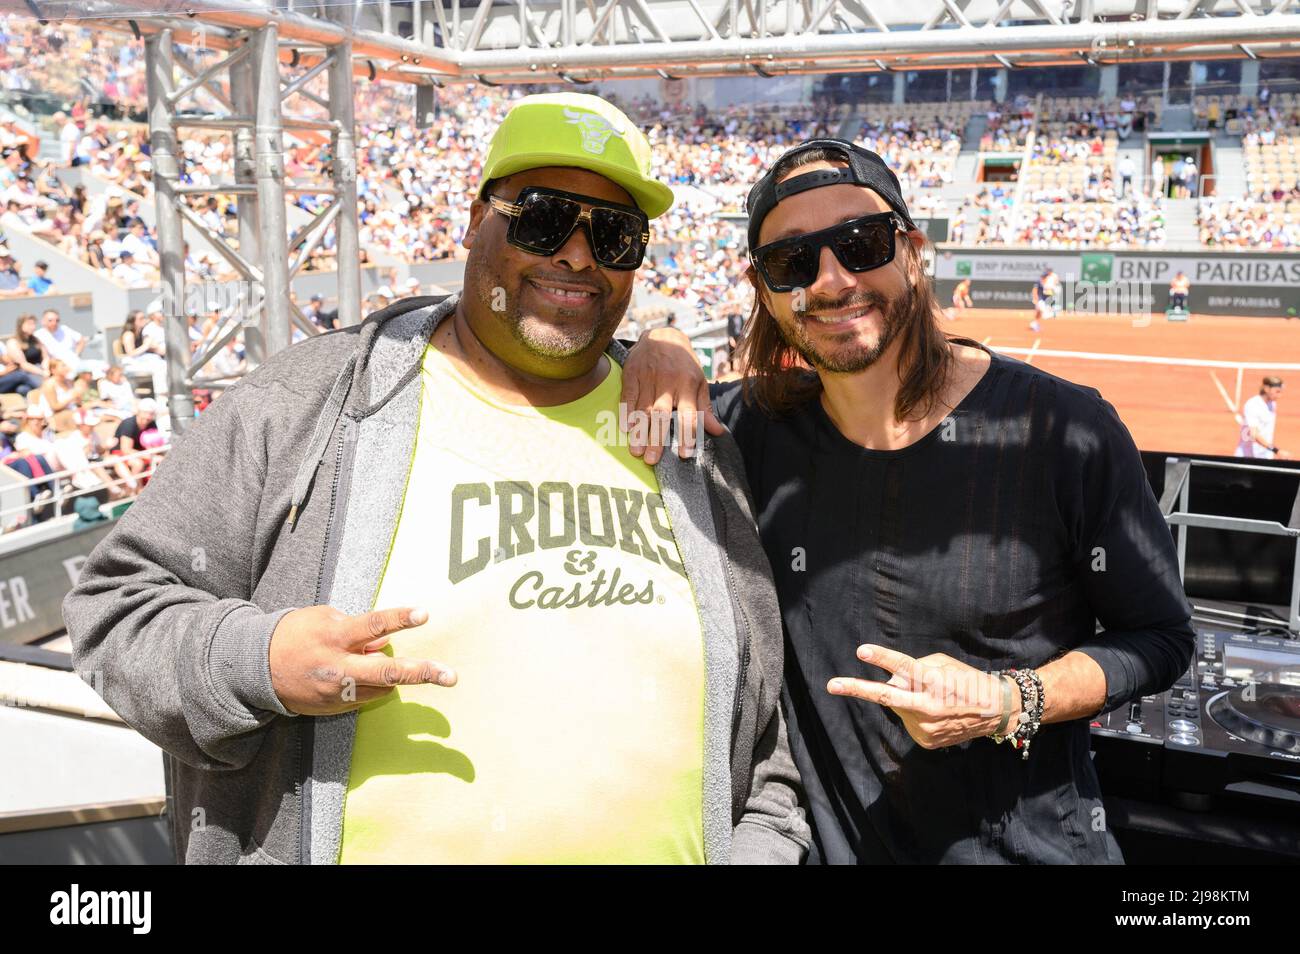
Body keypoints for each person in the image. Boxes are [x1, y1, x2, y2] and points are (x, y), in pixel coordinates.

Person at [64, 92, 809, 866]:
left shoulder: (688, 435)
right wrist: (261, 661)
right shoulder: (307, 401)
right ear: (473, 221)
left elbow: (761, 744)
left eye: (616, 235)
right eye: (544, 219)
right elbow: (116, 608)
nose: (579, 257)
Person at [622, 137, 1194, 863]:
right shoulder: (745, 433)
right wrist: (660, 338)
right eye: (793, 262)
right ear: (762, 289)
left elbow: (1161, 639)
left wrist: (1012, 701)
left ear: (913, 253)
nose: (831, 280)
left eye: (860, 243)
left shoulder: (1066, 431)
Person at [1236, 376, 1287, 459]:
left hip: (1265, 455)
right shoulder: (1252, 405)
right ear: (1267, 389)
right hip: (1247, 456)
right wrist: (1276, 450)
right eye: (1277, 392)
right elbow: (1254, 434)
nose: (1279, 395)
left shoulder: (1272, 404)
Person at [1, 313, 45, 396]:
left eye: (34, 324)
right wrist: (5, 371)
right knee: (20, 375)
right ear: (20, 325)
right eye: (29, 324)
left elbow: (45, 357)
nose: (33, 327)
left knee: (22, 389)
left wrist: (46, 368)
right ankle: (47, 393)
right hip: (25, 372)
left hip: (37, 369)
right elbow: (23, 365)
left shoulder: (36, 340)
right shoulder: (13, 342)